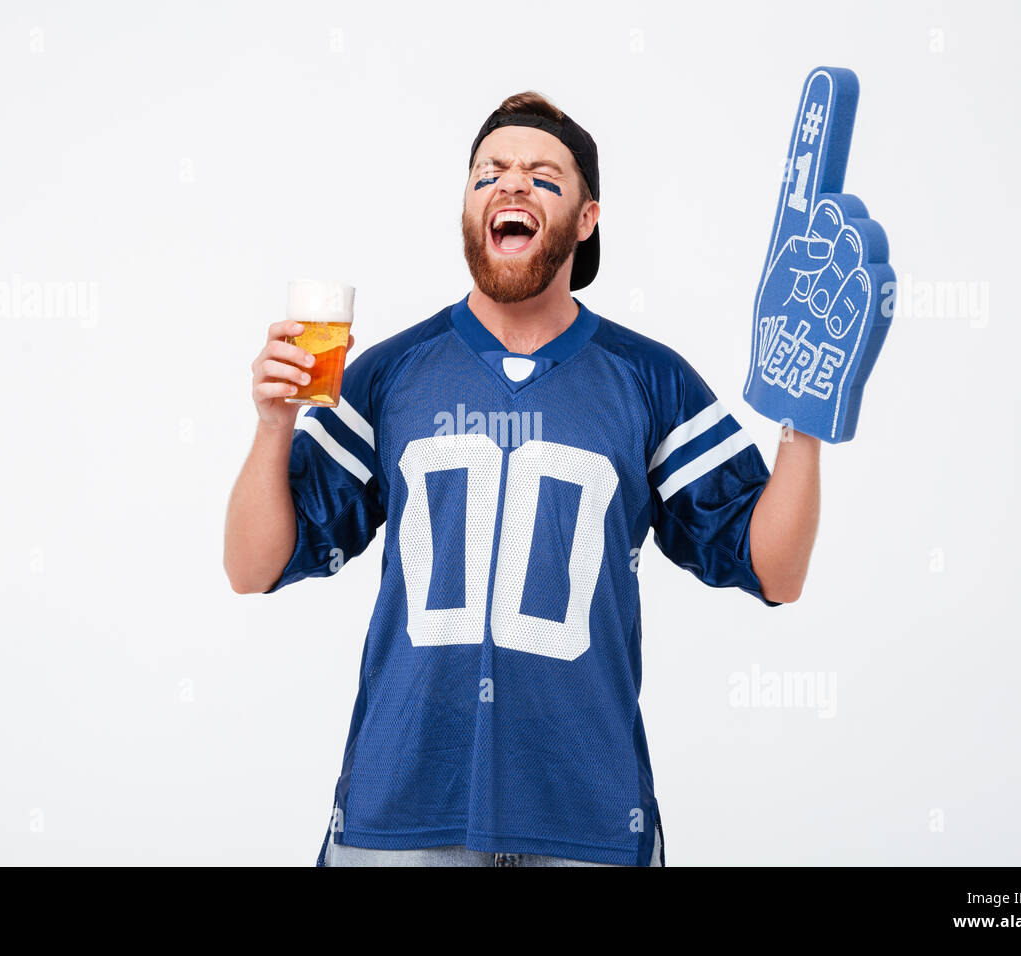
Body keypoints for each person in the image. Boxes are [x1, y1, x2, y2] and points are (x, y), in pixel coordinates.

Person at [223, 91, 820, 867]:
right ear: (467, 210)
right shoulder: (387, 375)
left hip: (588, 819)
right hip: (400, 812)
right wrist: (273, 426)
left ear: (586, 217)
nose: (510, 184)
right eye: (488, 172)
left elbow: (775, 570)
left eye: (543, 175)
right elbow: (252, 566)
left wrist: (802, 420)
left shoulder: (650, 380)